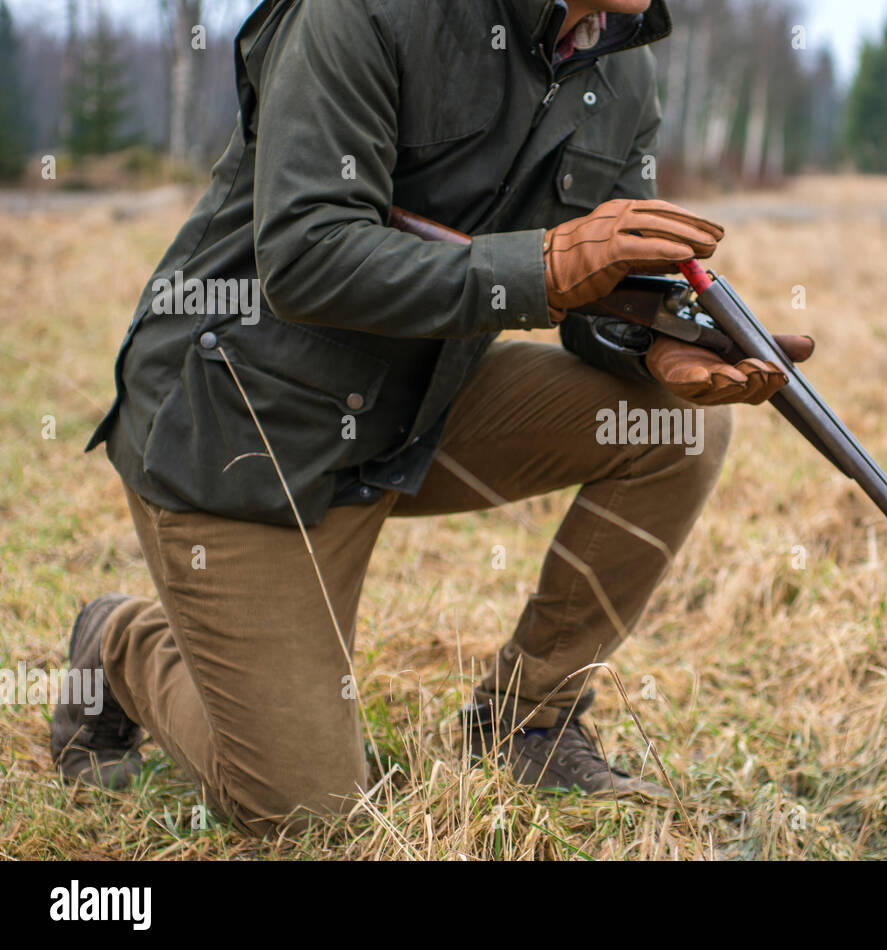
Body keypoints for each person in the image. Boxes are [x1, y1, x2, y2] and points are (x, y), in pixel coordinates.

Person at [51, 0, 811, 837]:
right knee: (309, 813)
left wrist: (653, 347)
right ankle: (121, 645)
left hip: (420, 403)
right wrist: (548, 265)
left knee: (676, 427)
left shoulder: (623, 65)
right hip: (247, 428)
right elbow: (306, 256)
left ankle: (527, 726)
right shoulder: (364, 12)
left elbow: (604, 291)